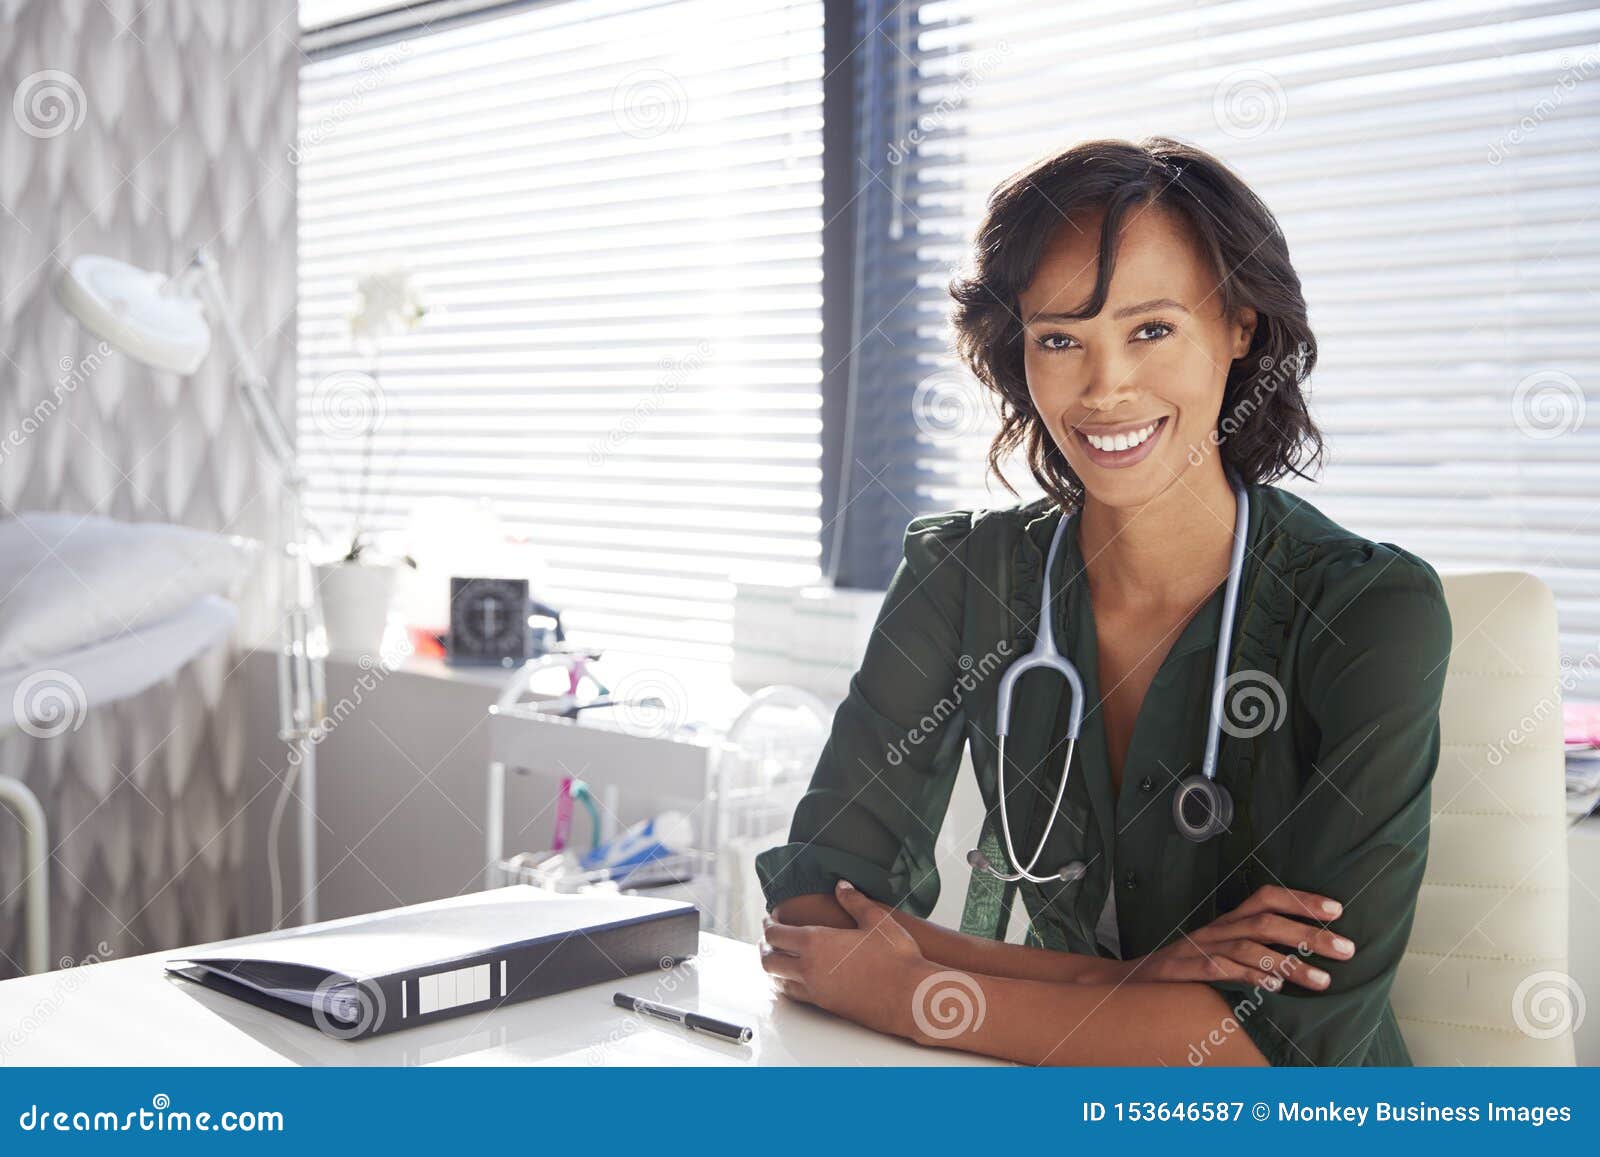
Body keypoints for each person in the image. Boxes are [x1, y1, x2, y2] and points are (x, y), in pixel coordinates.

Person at [754, 137, 1452, 1067]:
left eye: (1152, 329)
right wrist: (1130, 983)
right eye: (1058, 339)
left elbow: (1279, 1041)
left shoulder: (1372, 613)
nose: (1105, 386)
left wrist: (914, 988)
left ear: (1241, 326)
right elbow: (813, 914)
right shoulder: (964, 578)